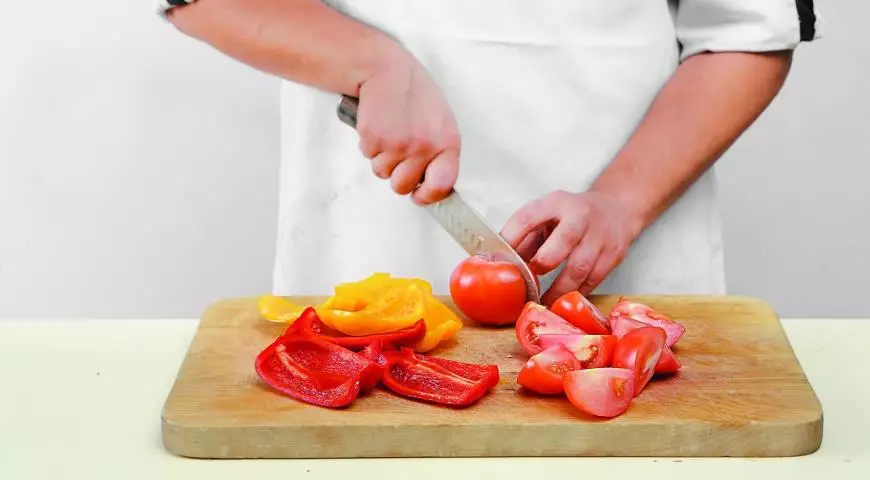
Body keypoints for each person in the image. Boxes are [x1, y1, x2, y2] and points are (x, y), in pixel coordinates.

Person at [156, 0, 821, 306]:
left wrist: (621, 202)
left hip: (625, 264)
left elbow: (747, 27)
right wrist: (371, 66)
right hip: (363, 248)